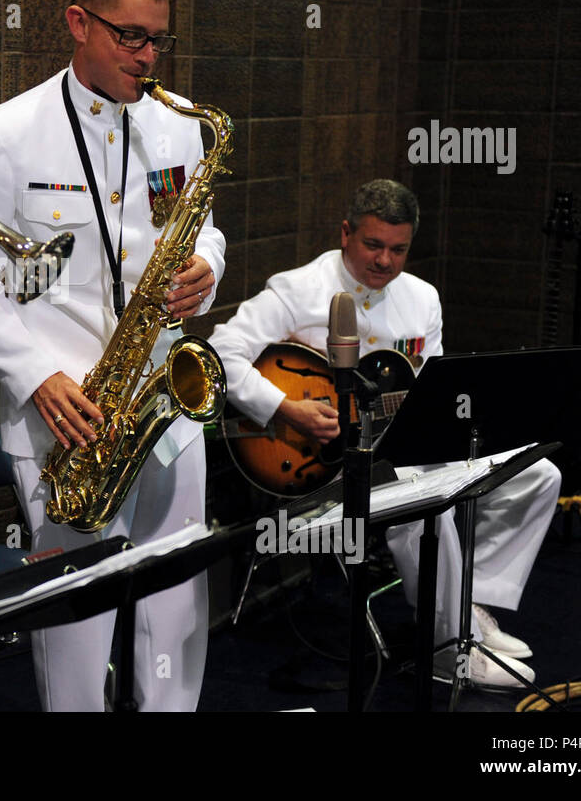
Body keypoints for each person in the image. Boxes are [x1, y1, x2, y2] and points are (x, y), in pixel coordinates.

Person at [0, 0, 226, 711]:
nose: (147, 56)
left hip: (165, 410)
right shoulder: (3, 135)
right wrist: (38, 378)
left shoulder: (179, 127)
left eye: (158, 40)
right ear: (77, 22)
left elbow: (202, 232)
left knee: (178, 614)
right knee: (75, 630)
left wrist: (208, 269)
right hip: (69, 421)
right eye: (130, 36)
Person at [208, 179, 560, 687]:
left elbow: (433, 388)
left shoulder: (423, 299)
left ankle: (467, 609)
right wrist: (285, 407)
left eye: (398, 249)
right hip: (322, 465)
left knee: (538, 473)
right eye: (373, 245)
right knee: (424, 503)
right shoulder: (297, 289)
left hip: (402, 445)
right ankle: (444, 648)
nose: (385, 262)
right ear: (346, 233)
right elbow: (221, 353)